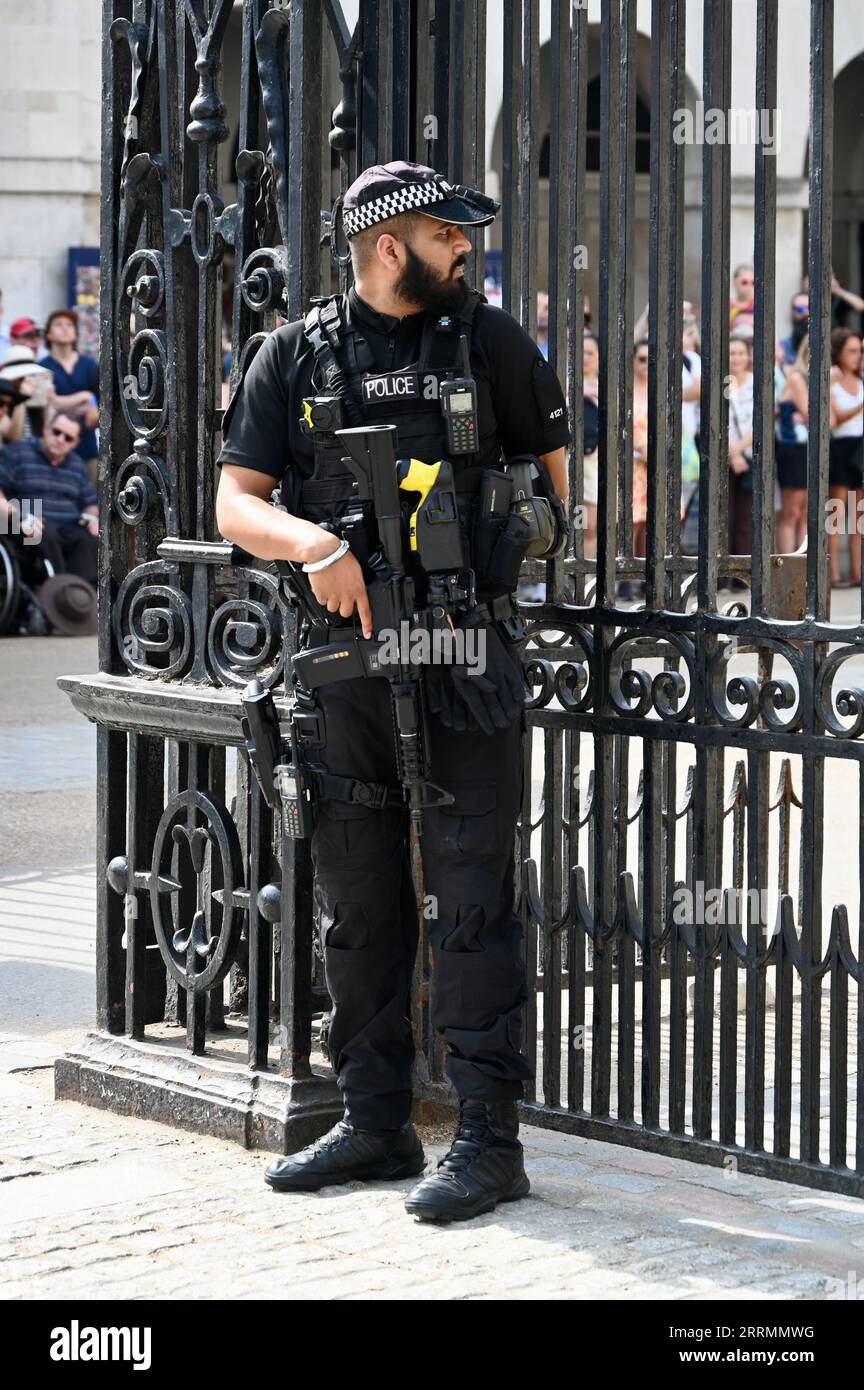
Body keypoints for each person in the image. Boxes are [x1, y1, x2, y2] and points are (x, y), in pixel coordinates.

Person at [215, 160, 570, 1223]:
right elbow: (237, 501)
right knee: (358, 902)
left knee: (472, 904)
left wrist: (501, 531)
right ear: (385, 246)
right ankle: (373, 1123)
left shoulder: (491, 342)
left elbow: (560, 492)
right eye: (446, 235)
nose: (464, 250)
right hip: (346, 668)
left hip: (464, 660)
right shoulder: (295, 353)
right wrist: (313, 542)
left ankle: (487, 1141)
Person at [0, 410, 98, 584]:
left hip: (68, 526)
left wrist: (91, 517)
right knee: (46, 535)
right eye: (56, 432)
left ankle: (82, 598)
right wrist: (17, 514)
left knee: (86, 539)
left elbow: (89, 503)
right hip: (25, 521)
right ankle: (56, 593)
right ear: (45, 429)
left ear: (75, 443)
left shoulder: (77, 464)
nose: (60, 439)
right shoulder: (16, 452)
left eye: (68, 438)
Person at [41, 309, 100, 484]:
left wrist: (63, 403)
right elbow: (49, 402)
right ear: (48, 334)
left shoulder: (89, 365)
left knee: (92, 499)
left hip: (87, 447)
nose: (65, 329)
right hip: (54, 448)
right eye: (58, 325)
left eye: (69, 325)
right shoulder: (42, 367)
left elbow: (99, 408)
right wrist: (84, 395)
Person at [828, 328, 864, 588]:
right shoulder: (832, 379)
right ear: (838, 352)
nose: (857, 356)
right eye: (851, 350)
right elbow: (835, 418)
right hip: (840, 447)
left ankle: (856, 572)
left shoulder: (861, 380)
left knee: (859, 515)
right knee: (837, 514)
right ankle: (832, 574)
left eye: (860, 351)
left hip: (860, 448)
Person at [775, 335, 809, 554]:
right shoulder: (797, 378)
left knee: (806, 513)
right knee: (791, 513)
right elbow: (812, 412)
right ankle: (787, 566)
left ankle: (803, 567)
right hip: (793, 449)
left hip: (808, 448)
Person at [727, 335, 755, 555]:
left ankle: (742, 575)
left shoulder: (757, 383)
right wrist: (731, 453)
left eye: (740, 353)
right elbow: (710, 420)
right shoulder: (721, 382)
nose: (736, 358)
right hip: (724, 458)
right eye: (732, 353)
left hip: (750, 457)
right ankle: (722, 576)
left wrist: (739, 449)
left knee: (746, 517)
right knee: (723, 516)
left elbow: (762, 421)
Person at [0, 346, 56, 443]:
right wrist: (22, 399)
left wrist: (48, 403)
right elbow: (13, 437)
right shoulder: (3, 399)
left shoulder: (37, 398)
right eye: (23, 377)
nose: (29, 380)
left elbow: (49, 436)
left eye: (32, 375)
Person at [581, 331, 599, 559]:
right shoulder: (561, 382)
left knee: (590, 525)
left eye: (590, 353)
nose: (585, 357)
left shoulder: (607, 385)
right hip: (566, 459)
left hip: (594, 462)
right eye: (581, 352)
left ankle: (588, 583)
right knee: (565, 522)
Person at [729, 263, 755, 332]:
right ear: (734, 283)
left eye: (753, 283)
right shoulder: (727, 306)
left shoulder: (758, 306)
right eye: (744, 282)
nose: (749, 287)